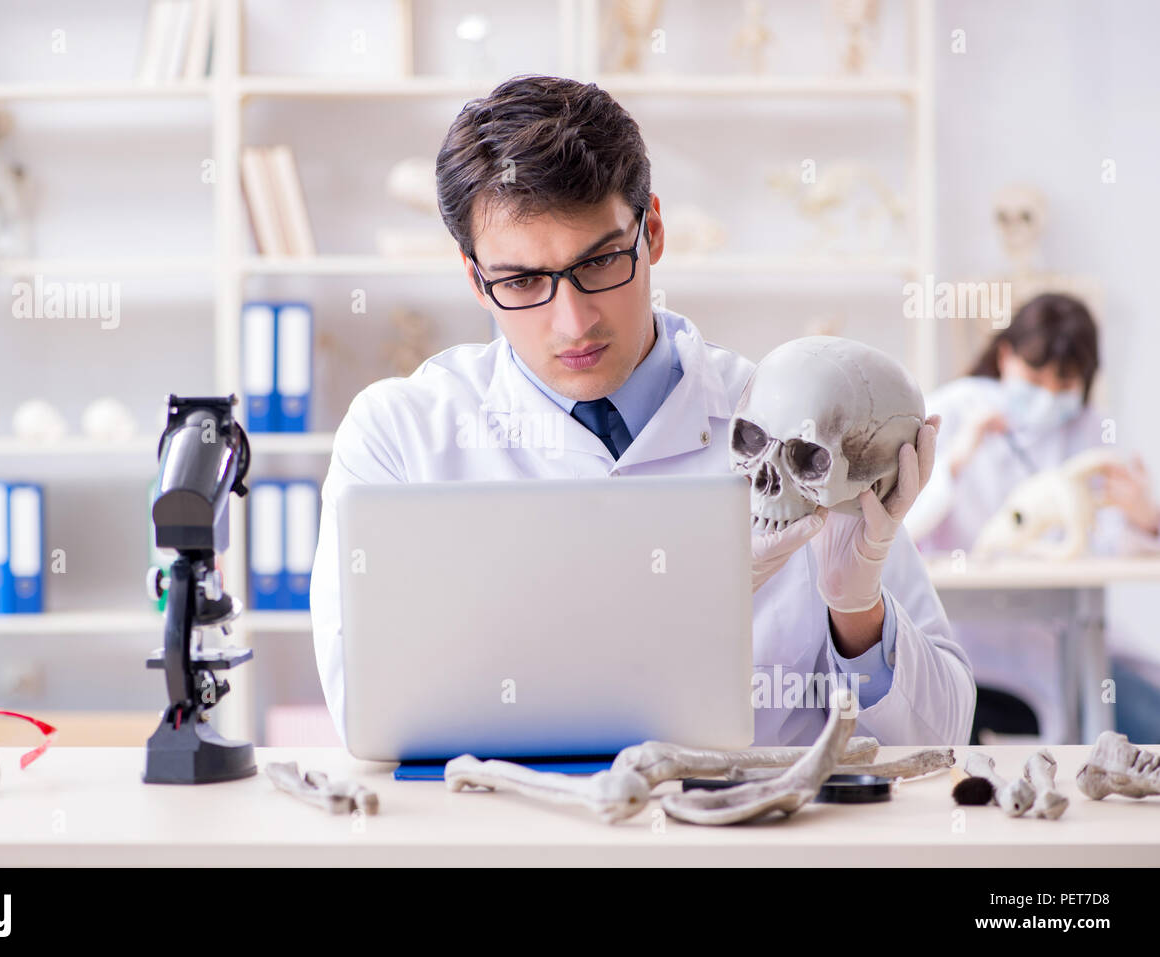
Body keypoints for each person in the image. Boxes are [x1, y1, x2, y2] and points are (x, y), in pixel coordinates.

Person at [309, 74, 975, 748]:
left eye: (598, 263)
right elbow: (370, 720)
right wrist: (703, 586)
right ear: (476, 280)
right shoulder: (400, 436)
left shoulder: (795, 424)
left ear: (652, 230)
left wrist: (856, 609)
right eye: (521, 281)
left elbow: (942, 734)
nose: (572, 321)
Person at [904, 292, 1160, 743]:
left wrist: (1147, 518)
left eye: (1064, 383)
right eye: (1035, 374)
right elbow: (901, 528)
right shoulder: (953, 409)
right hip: (959, 637)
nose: (1047, 394)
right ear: (1005, 356)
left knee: (1144, 719)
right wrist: (957, 460)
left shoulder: (1089, 429)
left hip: (1055, 643)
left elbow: (1108, 544)